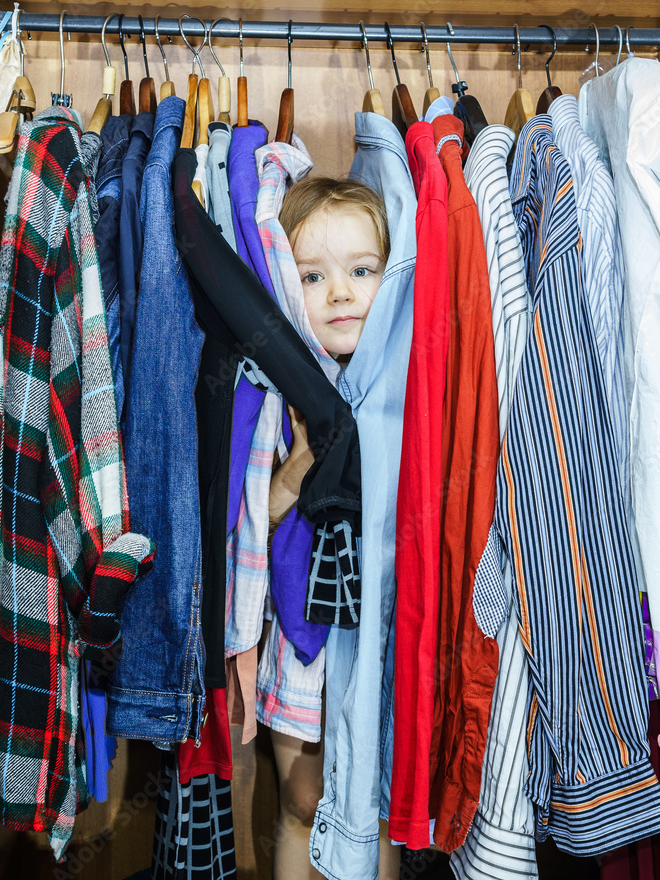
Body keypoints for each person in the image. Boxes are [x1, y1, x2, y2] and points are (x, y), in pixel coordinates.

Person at [264, 176, 401, 880]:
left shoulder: (404, 386)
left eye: (361, 271)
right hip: (304, 638)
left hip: (377, 633)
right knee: (303, 797)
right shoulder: (276, 384)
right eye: (314, 277)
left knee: (372, 800)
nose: (340, 293)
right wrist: (298, 467)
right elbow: (249, 528)